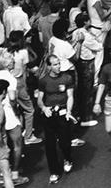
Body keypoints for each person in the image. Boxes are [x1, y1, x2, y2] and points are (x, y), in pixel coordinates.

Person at [33, 55, 76, 183]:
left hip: (63, 113)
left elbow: (70, 96)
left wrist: (69, 111)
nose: (58, 66)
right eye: (55, 64)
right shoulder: (43, 81)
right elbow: (40, 99)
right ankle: (54, 171)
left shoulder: (67, 78)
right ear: (49, 66)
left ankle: (67, 158)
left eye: (58, 64)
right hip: (49, 114)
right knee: (50, 144)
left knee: (65, 141)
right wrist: (44, 108)